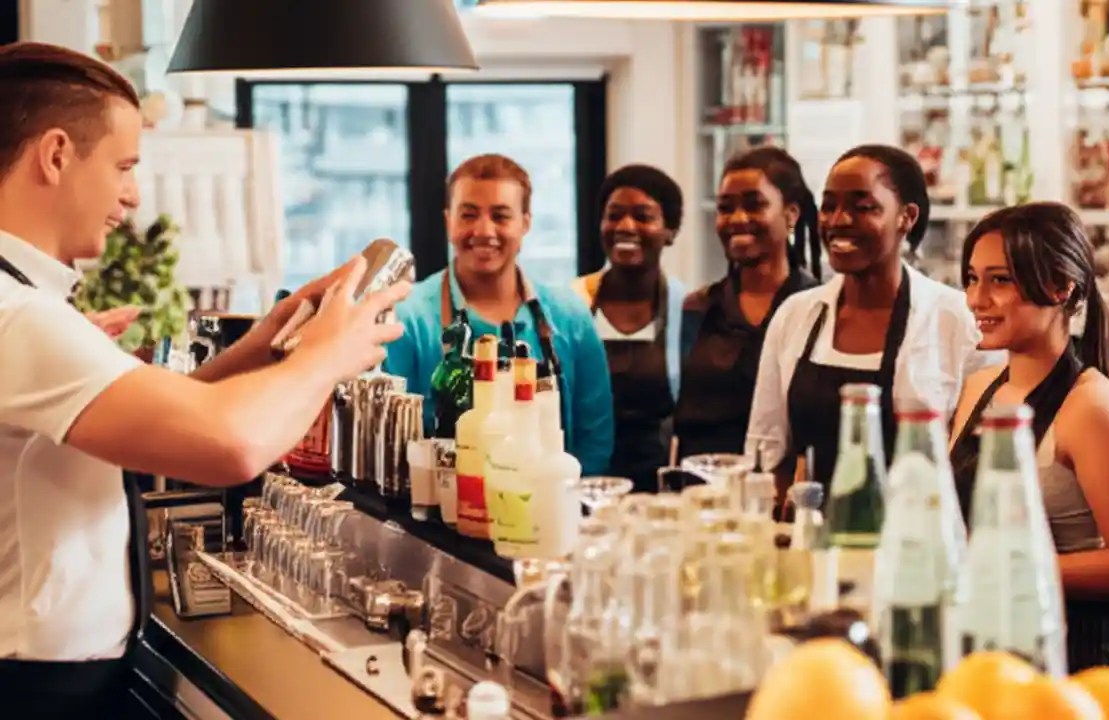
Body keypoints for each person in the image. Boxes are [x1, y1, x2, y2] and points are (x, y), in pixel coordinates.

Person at [0, 42, 408, 717]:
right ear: (55, 154)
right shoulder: (20, 318)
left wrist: (265, 342)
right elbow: (230, 446)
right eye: (123, 167)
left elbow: (173, 418)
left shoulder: (28, 306)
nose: (130, 196)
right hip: (36, 691)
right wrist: (329, 354)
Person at [948, 202, 1109, 676]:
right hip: (992, 648)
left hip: (1078, 656)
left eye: (999, 280)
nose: (977, 300)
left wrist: (1010, 567)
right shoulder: (980, 387)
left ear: (1061, 287)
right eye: (972, 279)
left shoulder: (1092, 406)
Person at [748, 144, 993, 491]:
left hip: (917, 534)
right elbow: (767, 451)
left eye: (863, 207)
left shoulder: (957, 320)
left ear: (906, 216)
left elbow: (981, 466)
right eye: (828, 206)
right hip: (809, 534)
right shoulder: (795, 315)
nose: (838, 221)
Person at [385, 153, 613, 475]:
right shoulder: (408, 321)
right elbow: (395, 443)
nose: (484, 230)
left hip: (551, 512)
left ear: (526, 223)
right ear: (448, 221)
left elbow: (595, 440)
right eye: (469, 214)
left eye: (501, 216)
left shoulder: (570, 316)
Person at [674, 146, 821, 464]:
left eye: (755, 206)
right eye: (726, 208)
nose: (738, 219)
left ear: (791, 213)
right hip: (701, 493)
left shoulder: (816, 311)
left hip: (779, 496)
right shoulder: (697, 308)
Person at [571, 165, 687, 491]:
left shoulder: (687, 309)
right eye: (614, 215)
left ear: (671, 230)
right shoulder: (570, 306)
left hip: (660, 497)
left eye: (643, 216)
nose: (625, 226)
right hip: (582, 488)